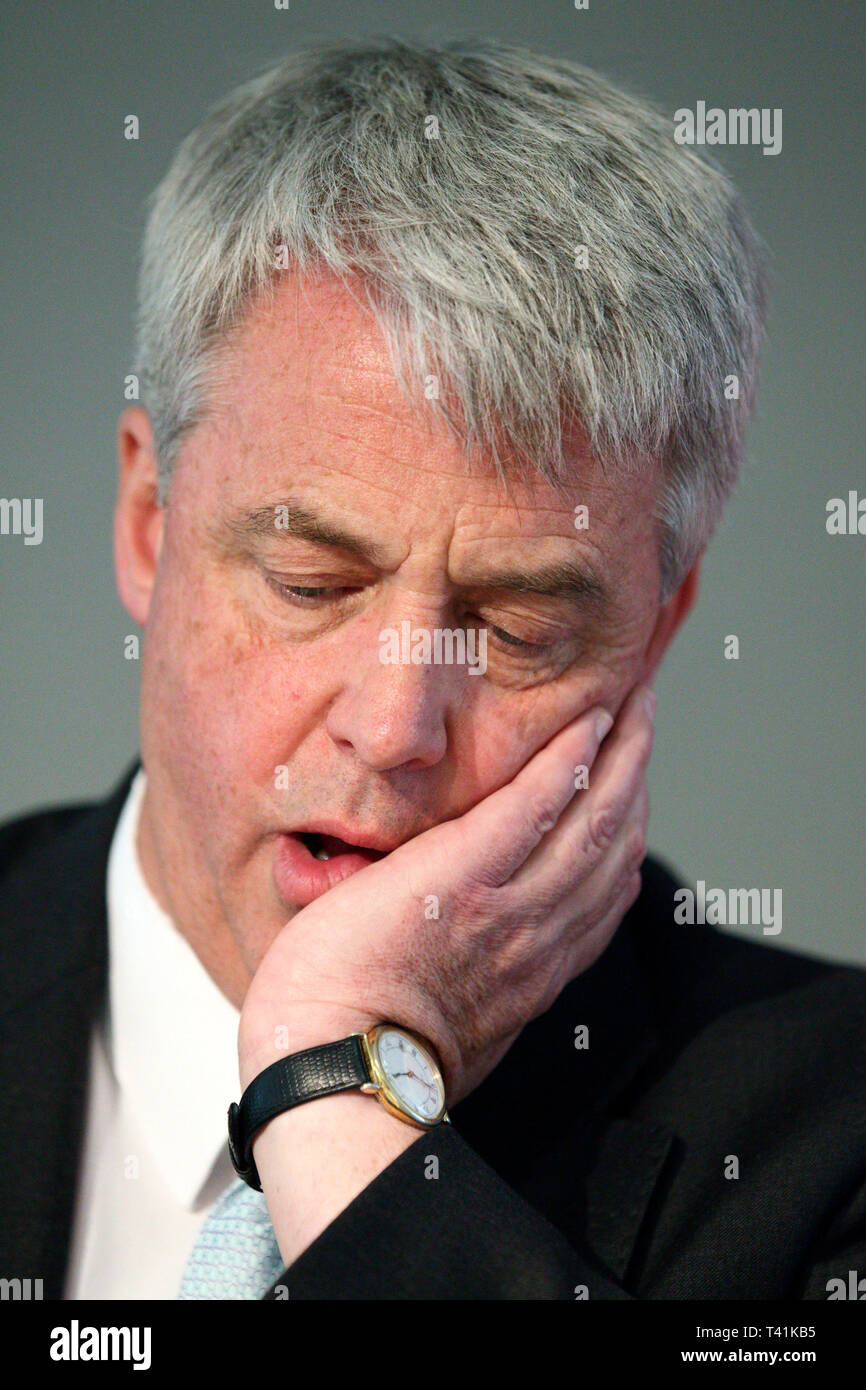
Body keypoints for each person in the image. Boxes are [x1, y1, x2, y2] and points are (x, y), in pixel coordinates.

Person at [2, 38, 863, 1301]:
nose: (396, 725)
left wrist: (334, 1101)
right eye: (310, 585)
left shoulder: (832, 1132)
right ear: (148, 520)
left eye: (515, 629)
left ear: (654, 630)